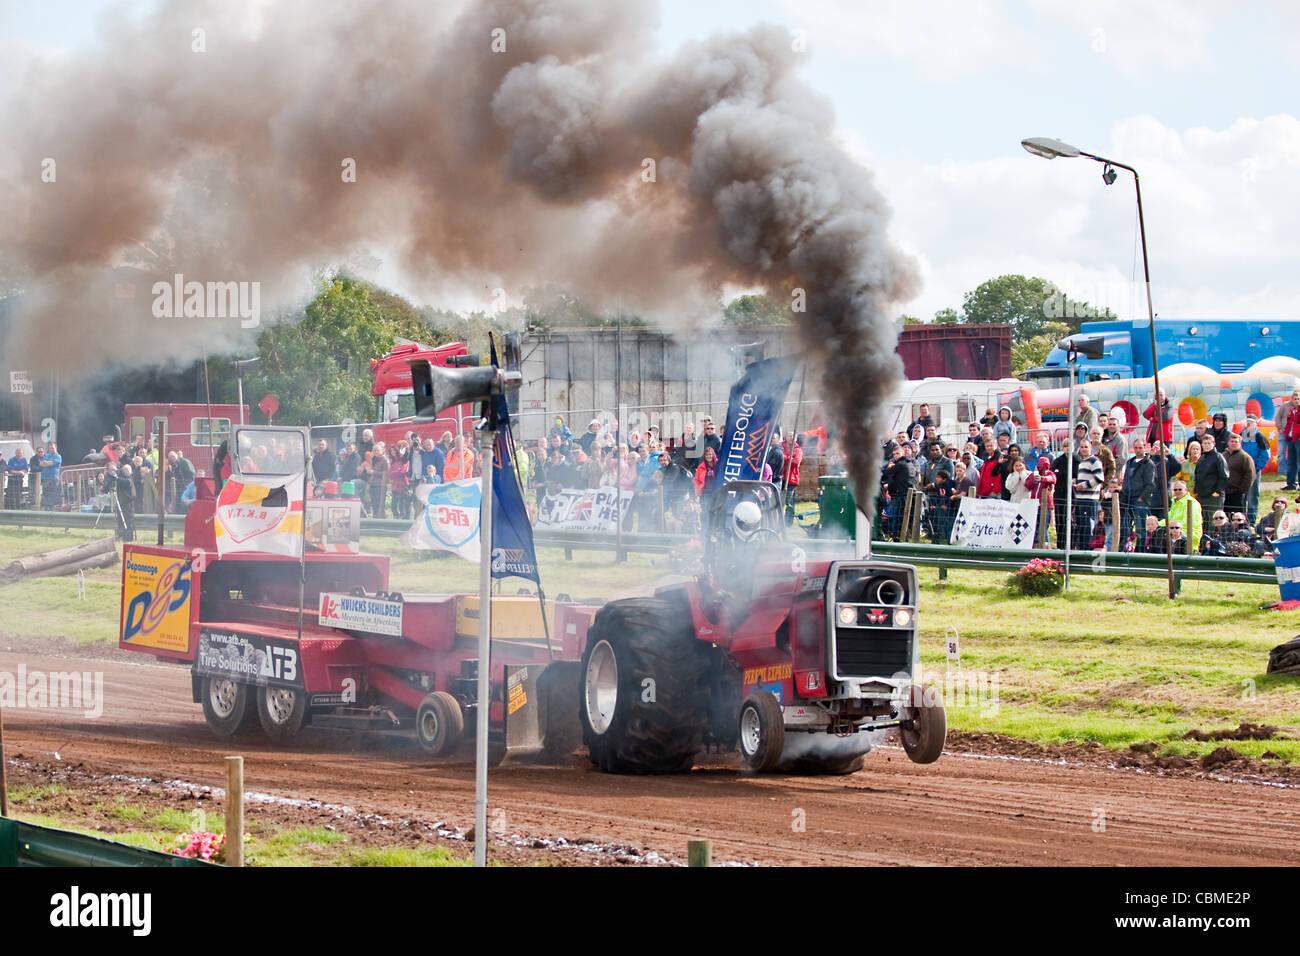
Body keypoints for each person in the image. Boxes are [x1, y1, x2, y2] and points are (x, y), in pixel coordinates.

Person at [1116, 437, 1156, 553]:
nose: (1138, 450)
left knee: (1140, 529)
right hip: (1127, 499)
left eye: (1140, 447)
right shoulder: (1130, 462)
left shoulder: (1149, 464)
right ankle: (1121, 550)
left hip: (1140, 501)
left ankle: (1140, 552)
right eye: (1136, 448)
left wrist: (1141, 498)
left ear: (1145, 447)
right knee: (1124, 528)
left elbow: (1151, 485)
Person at [1193, 434, 1228, 537]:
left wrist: (1217, 492)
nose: (1207, 445)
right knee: (1202, 521)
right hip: (1201, 495)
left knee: (1213, 522)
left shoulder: (1218, 457)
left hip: (1213, 497)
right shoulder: (1202, 457)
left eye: (1209, 443)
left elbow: (1224, 476)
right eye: (1205, 443)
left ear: (1214, 444)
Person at [1240, 414, 1271, 524]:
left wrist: (1255, 468)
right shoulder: (1241, 435)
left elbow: (1265, 455)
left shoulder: (1260, 437)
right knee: (1241, 495)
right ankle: (1241, 519)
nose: (1248, 424)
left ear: (1255, 423)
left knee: (1252, 496)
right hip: (1240, 471)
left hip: (1254, 471)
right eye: (1247, 422)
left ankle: (1251, 521)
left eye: (1251, 422)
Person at [1072, 438, 1104, 545]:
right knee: (1080, 526)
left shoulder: (1095, 461)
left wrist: (1083, 485)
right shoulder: (1081, 462)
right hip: (1080, 499)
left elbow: (1099, 478)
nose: (1084, 449)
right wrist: (1075, 481)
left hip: (1089, 500)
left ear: (1091, 447)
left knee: (1088, 527)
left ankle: (1087, 549)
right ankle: (1080, 548)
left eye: (1086, 447)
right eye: (1082, 447)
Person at [1161, 480, 1203, 554]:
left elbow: (1187, 524)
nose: (1177, 491)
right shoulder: (1175, 503)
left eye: (1180, 489)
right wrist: (1155, 523)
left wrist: (1171, 528)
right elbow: (1168, 520)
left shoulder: (1192, 503)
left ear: (1186, 490)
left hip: (1188, 541)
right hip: (1175, 538)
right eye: (1175, 490)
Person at [1024, 455, 1057, 548]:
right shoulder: (1034, 474)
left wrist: (1042, 479)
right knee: (1035, 527)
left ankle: (1045, 546)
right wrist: (1033, 476)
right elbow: (1027, 485)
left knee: (1044, 527)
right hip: (1034, 505)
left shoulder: (1050, 474)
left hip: (1046, 505)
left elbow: (1053, 479)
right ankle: (1035, 545)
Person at [1222, 432, 1256, 516]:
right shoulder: (1223, 456)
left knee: (1237, 517)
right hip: (1224, 492)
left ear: (1239, 443)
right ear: (1228, 443)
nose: (1233, 443)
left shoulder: (1245, 457)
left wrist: (1241, 490)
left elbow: (1250, 475)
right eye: (1232, 441)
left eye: (1236, 442)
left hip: (1237, 493)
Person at [1283, 391, 1300, 490]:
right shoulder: (1292, 411)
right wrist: (1286, 433)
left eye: (1298, 399)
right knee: (1291, 461)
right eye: (1295, 399)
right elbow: (1289, 424)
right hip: (1291, 438)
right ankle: (1291, 484)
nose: (1297, 401)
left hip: (1298, 439)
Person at [38, 442, 62, 510]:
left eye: (53, 448)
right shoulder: (47, 455)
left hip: (53, 479)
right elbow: (41, 464)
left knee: (52, 494)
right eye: (50, 448)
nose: (51, 449)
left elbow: (50, 464)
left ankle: (51, 509)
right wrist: (46, 463)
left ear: (56, 448)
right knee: (45, 494)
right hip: (45, 478)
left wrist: (46, 463)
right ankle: (46, 509)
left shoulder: (58, 456)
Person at [116, 462, 136, 541]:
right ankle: (121, 535)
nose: (126, 471)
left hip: (128, 503)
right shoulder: (121, 479)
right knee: (120, 519)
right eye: (124, 470)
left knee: (128, 520)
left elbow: (126, 483)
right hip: (121, 503)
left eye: (127, 470)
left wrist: (116, 477)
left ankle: (128, 537)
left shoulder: (129, 479)